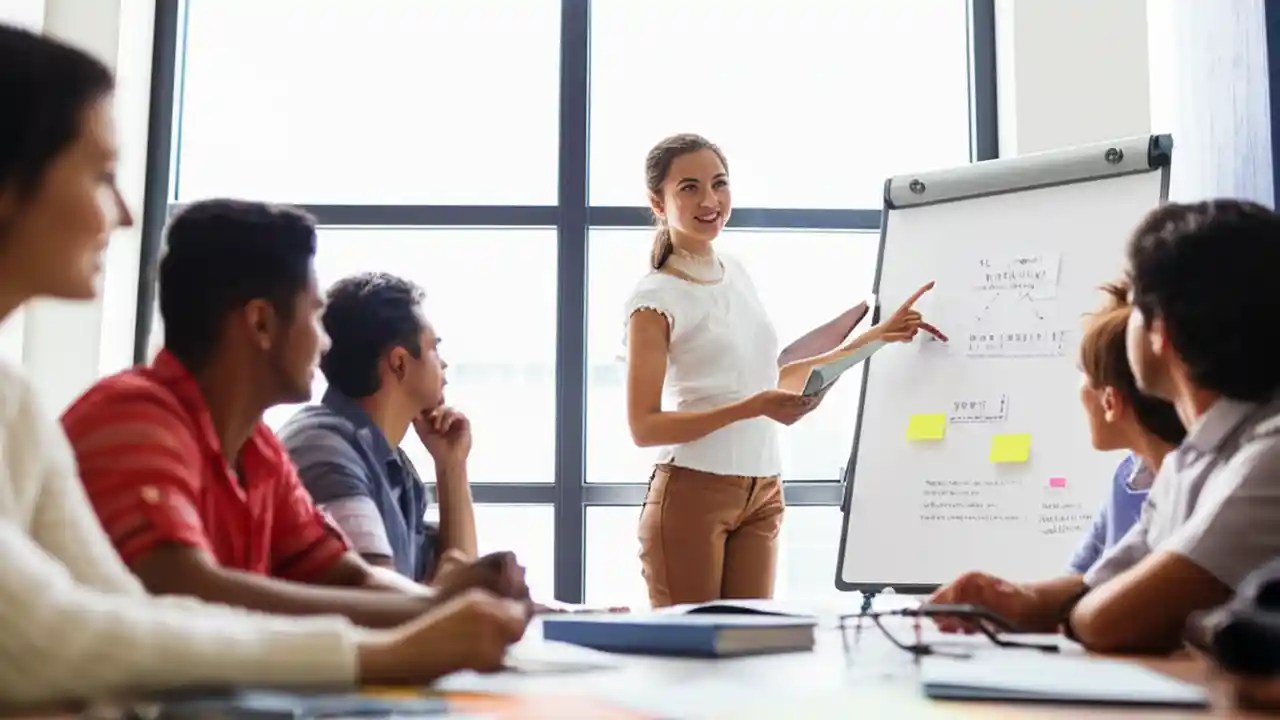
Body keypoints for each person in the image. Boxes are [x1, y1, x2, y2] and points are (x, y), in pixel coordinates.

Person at [0, 23, 525, 707]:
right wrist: (400, 638)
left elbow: (126, 614)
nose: (124, 215)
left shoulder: (16, 400)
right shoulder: (134, 416)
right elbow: (68, 631)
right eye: (100, 175)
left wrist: (435, 613)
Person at [61, 197, 529, 629]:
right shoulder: (136, 418)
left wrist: (454, 604)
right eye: (315, 315)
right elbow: (186, 591)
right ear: (261, 322)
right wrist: (438, 607)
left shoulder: (261, 454)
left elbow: (350, 578)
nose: (324, 343)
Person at [929, 199, 1280, 653]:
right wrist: (1017, 598)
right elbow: (1102, 583)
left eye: (1133, 308)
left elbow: (1112, 619)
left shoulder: (1269, 454)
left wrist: (1072, 611)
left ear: (1160, 331)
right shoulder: (1194, 458)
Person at [625, 133, 944, 607]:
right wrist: (753, 406)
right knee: (694, 651)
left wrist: (878, 336)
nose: (710, 200)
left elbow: (774, 381)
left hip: (764, 491)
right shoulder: (654, 299)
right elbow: (644, 427)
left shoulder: (736, 273)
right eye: (689, 188)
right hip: (693, 490)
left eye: (719, 183)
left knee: (752, 645)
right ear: (658, 202)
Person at [279, 271, 476, 583]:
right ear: (399, 363)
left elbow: (457, 583)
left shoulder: (396, 468)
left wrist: (452, 466)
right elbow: (372, 594)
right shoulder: (323, 445)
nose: (444, 364)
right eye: (434, 348)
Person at [1068, 280, 1186, 575]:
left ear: (1111, 400)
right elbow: (1080, 575)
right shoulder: (1127, 477)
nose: (1079, 390)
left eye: (1084, 373)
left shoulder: (1196, 486)